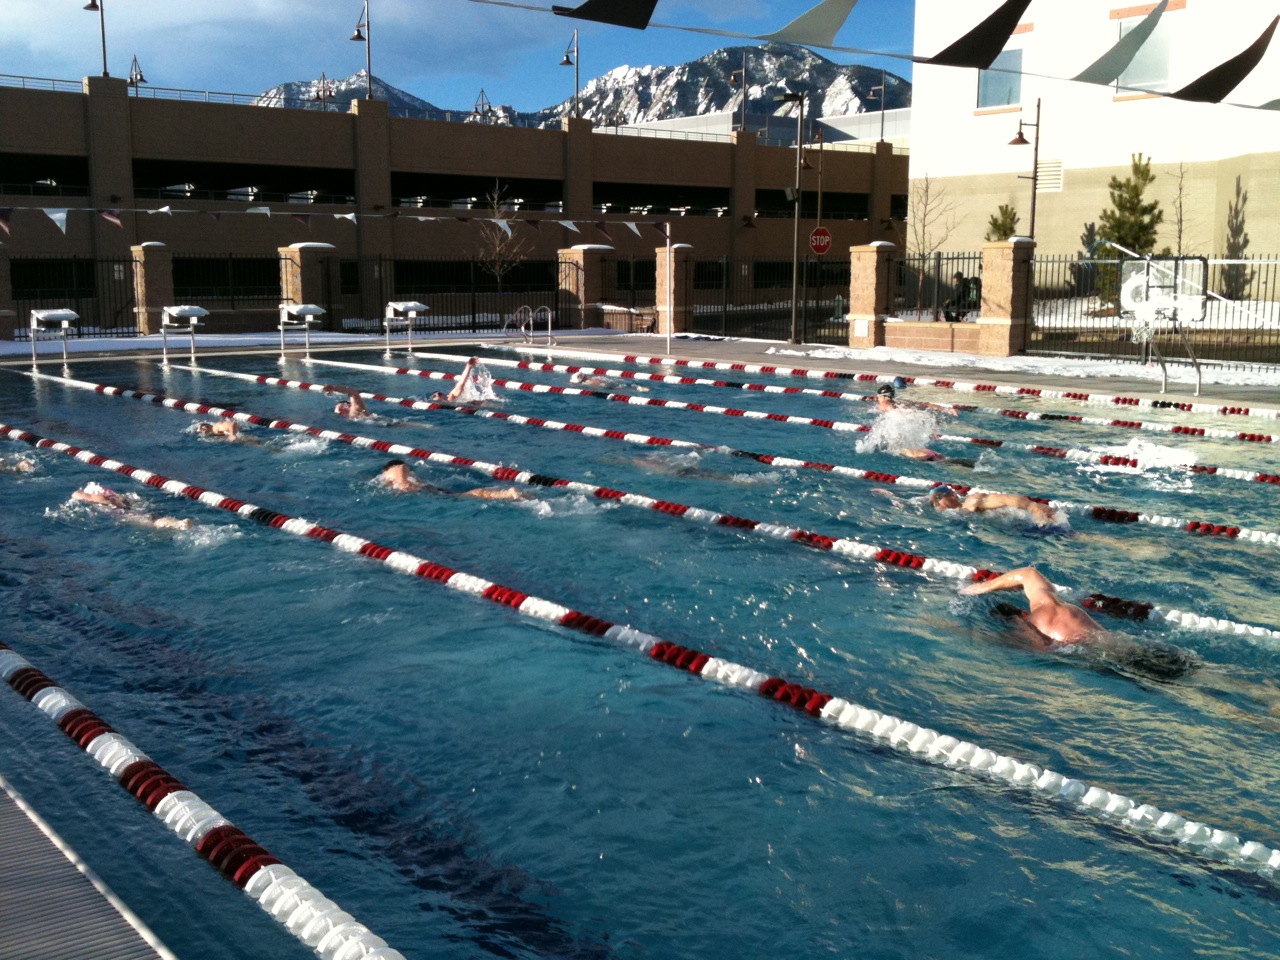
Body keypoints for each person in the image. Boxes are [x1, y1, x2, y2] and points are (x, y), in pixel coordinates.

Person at [376, 459, 527, 500]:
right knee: (466, 495)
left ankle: (507, 494)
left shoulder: (391, 471)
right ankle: (508, 494)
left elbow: (401, 467)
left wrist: (403, 483)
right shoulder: (395, 472)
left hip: (427, 491)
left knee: (471, 495)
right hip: (428, 490)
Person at [71, 481, 192, 530]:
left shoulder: (97, 497)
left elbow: (78, 494)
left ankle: (177, 525)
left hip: (121, 510)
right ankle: (177, 523)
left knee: (150, 521)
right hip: (126, 504)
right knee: (152, 517)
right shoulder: (111, 495)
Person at [929, 485, 1060, 526]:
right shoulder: (959, 513)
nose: (936, 504)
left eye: (938, 499)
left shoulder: (972, 501)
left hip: (1038, 520)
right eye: (933, 502)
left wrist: (1031, 505)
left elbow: (1005, 498)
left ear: (953, 495)